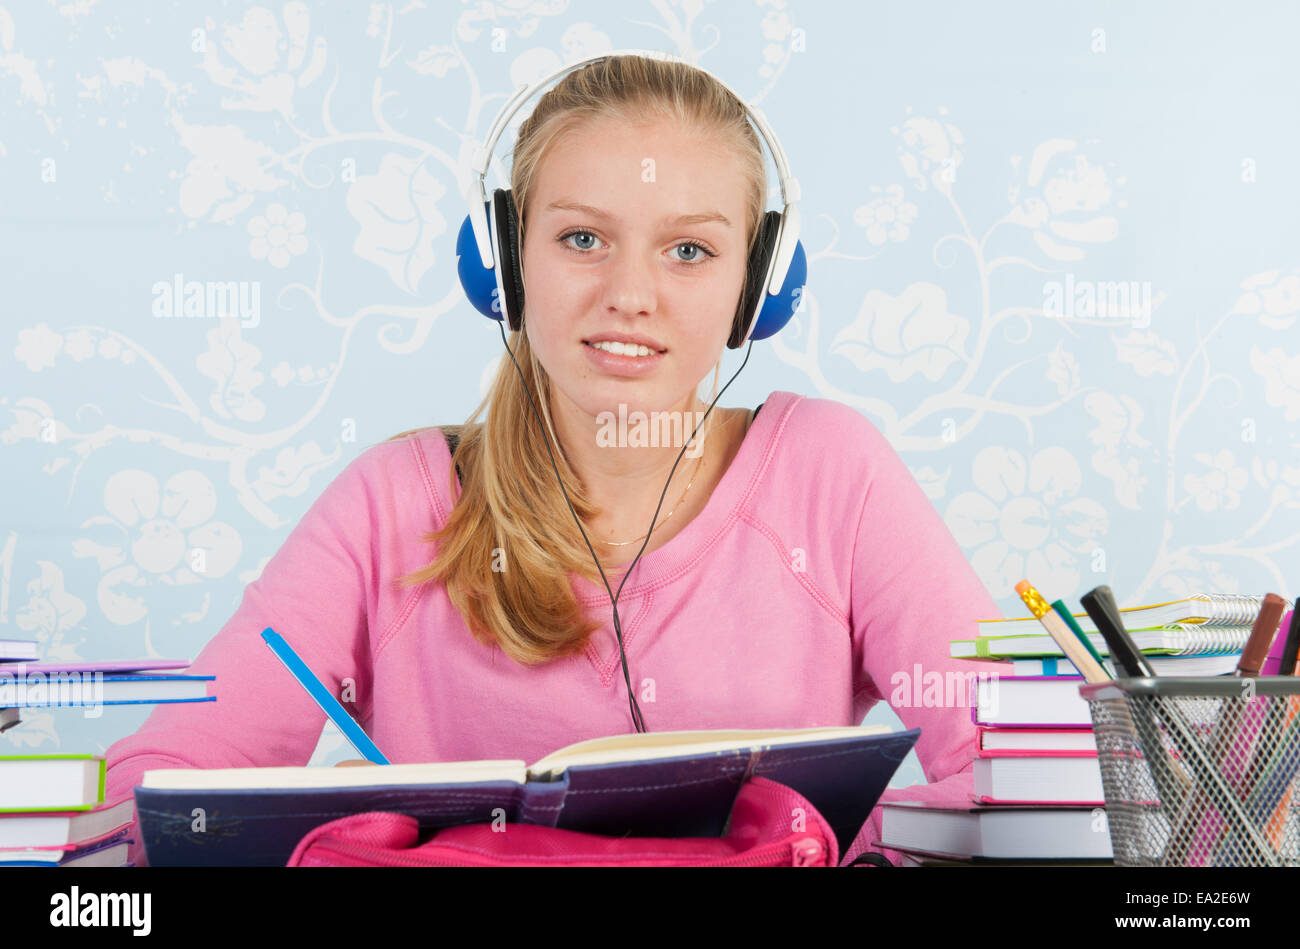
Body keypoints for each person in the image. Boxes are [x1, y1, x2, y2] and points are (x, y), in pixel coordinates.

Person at [104, 54, 1013, 867]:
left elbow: (1018, 768)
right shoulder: (392, 506)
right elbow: (157, 788)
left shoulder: (831, 475)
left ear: (756, 289)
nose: (629, 295)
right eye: (582, 239)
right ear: (505, 261)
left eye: (689, 250)